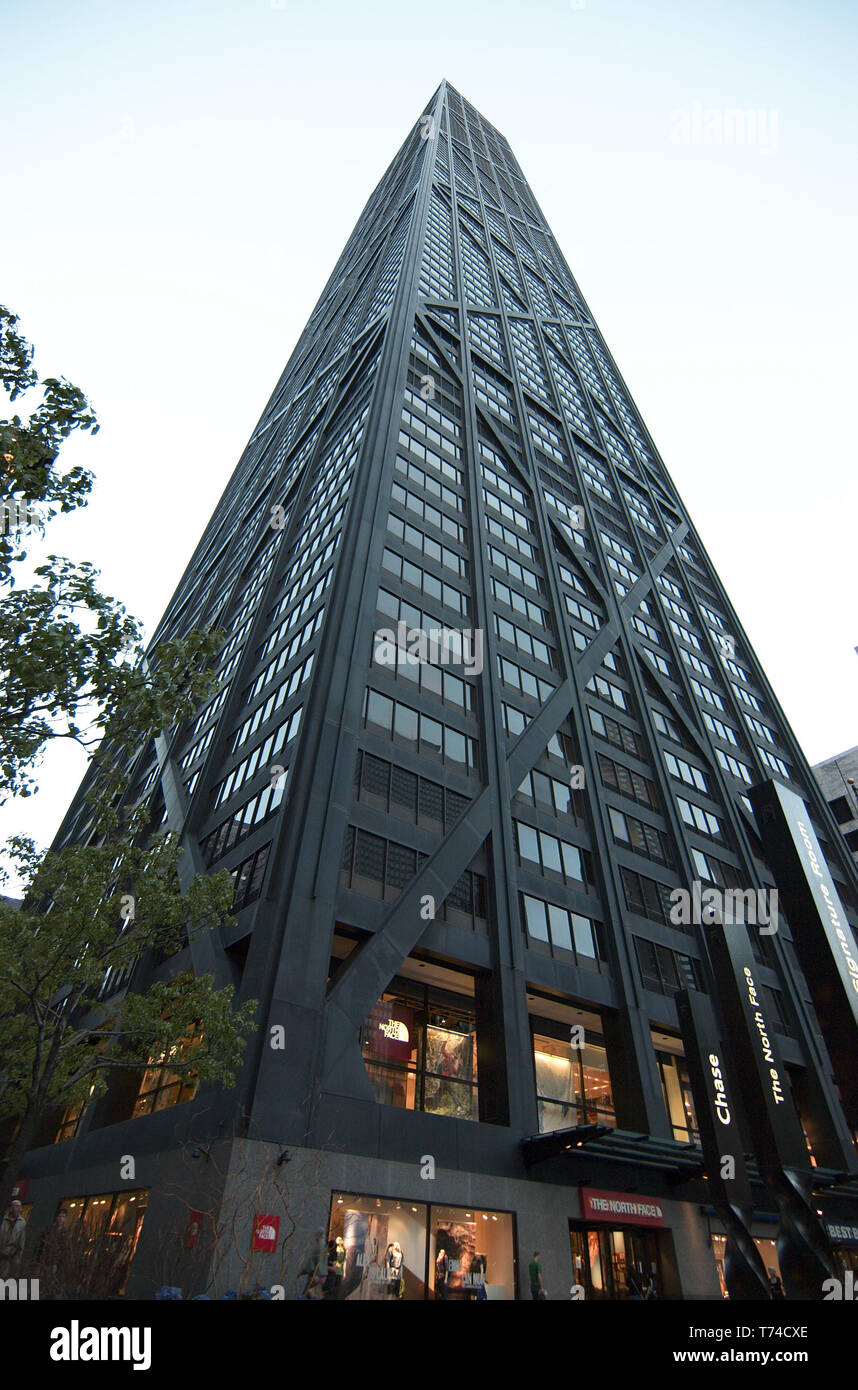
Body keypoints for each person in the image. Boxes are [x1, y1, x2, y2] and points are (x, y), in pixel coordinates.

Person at [0, 1200, 27, 1278]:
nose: (18, 1209)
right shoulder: (3, 1218)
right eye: (16, 1206)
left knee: (2, 1276)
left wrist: (18, 1259)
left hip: (8, 1254)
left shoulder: (22, 1223)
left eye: (19, 1207)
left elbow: (21, 1241)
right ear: (11, 1208)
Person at [298, 1229, 326, 1300]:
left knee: (306, 1295)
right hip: (321, 1276)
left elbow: (313, 1262)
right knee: (315, 1296)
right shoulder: (324, 1246)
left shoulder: (319, 1246)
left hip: (315, 1276)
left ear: (318, 1236)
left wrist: (302, 1272)